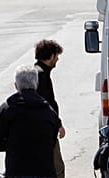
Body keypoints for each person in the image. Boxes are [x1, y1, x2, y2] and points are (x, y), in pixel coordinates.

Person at [0, 64, 61, 178]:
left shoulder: (8, 108)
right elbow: (52, 139)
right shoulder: (48, 111)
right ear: (36, 84)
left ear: (16, 85)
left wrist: (11, 146)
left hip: (16, 172)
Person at [34, 40, 66, 178]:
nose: (57, 59)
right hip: (46, 132)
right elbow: (47, 104)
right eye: (57, 55)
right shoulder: (41, 75)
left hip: (40, 130)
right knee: (57, 168)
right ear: (51, 56)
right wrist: (58, 124)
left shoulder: (37, 72)